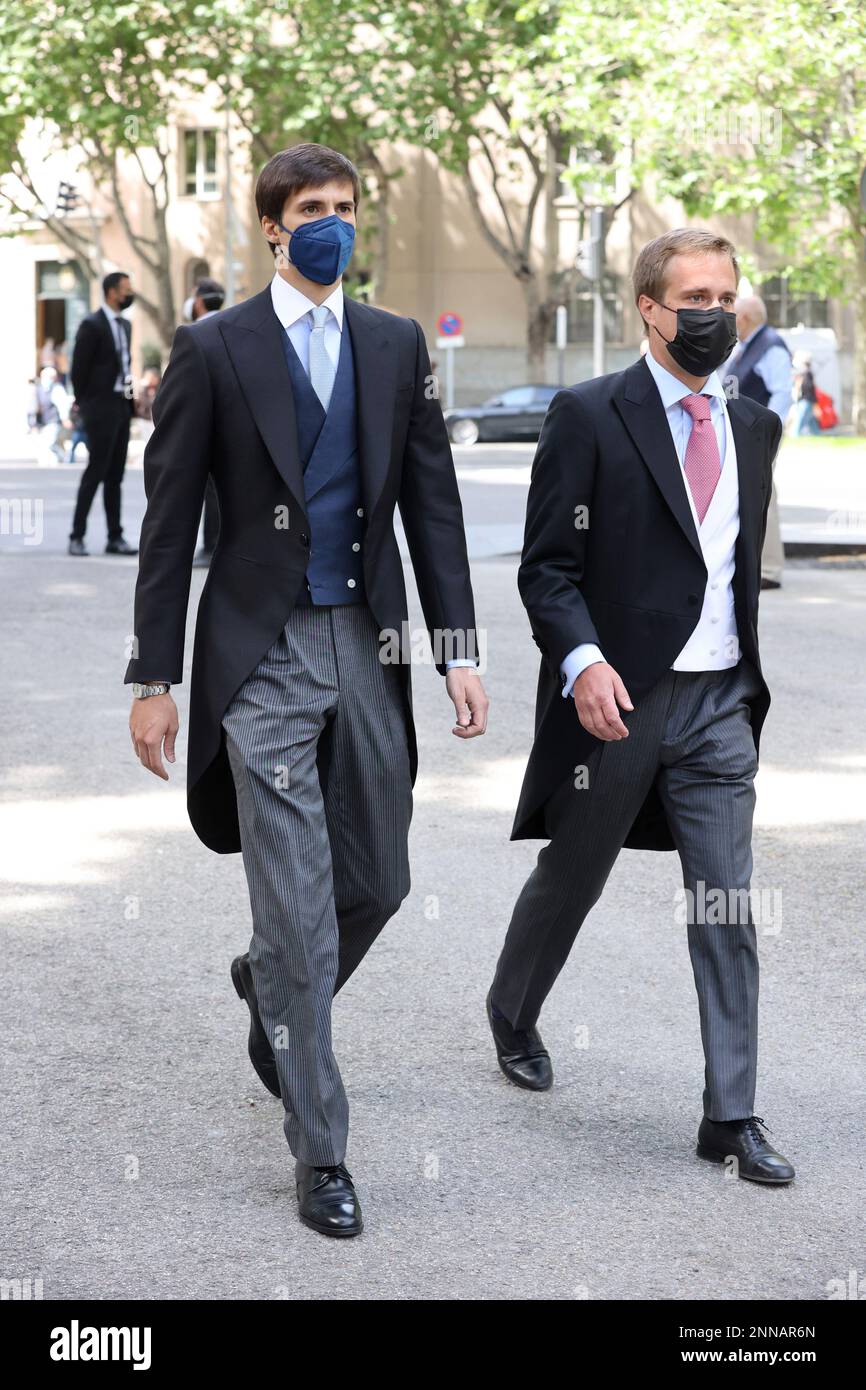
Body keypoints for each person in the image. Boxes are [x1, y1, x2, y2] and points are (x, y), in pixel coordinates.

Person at [126, 142, 488, 1237]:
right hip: (259, 653)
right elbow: (169, 519)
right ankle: (321, 1151)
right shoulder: (213, 346)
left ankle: (268, 983)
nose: (332, 223)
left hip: (366, 641)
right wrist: (155, 674)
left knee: (375, 878)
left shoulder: (391, 345)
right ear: (273, 228)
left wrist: (456, 647)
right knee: (294, 905)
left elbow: (433, 504)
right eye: (311, 210)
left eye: (344, 207)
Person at [488, 228, 794, 1186]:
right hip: (617, 700)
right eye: (692, 297)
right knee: (573, 877)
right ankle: (513, 1007)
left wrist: (739, 683)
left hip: (719, 705)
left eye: (725, 296)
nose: (712, 314)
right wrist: (582, 661)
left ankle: (730, 1115)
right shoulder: (587, 415)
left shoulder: (752, 425)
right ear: (650, 310)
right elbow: (548, 569)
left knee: (725, 905)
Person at [68, 271, 138, 556]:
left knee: (115, 476)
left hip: (121, 406)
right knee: (95, 471)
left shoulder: (125, 326)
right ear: (112, 292)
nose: (130, 293)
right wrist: (87, 405)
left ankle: (115, 536)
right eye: (126, 289)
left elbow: (125, 368)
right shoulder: (92, 325)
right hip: (99, 408)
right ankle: (77, 535)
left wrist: (131, 402)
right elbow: (78, 371)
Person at [727, 295, 792, 590]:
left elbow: (781, 393)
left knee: (765, 496)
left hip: (759, 433)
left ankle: (769, 568)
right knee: (755, 495)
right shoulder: (746, 347)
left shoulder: (770, 346)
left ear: (744, 319)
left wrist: (769, 432)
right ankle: (758, 563)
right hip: (745, 432)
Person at [184, 278, 226, 567]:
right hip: (233, 423)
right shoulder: (237, 327)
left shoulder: (193, 334)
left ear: (198, 302)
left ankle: (211, 545)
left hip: (200, 425)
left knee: (202, 488)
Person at [28, 366, 73, 464]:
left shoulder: (57, 388)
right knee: (45, 443)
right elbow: (32, 407)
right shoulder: (38, 389)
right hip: (42, 421)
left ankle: (58, 459)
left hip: (53, 420)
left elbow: (62, 405)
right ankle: (57, 458)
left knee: (49, 442)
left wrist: (65, 419)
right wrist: (32, 423)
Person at [791, 352, 821, 436]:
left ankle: (795, 435)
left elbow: (809, 388)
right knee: (811, 421)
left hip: (806, 400)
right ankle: (817, 434)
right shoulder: (804, 374)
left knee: (801, 420)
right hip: (806, 400)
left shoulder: (807, 374)